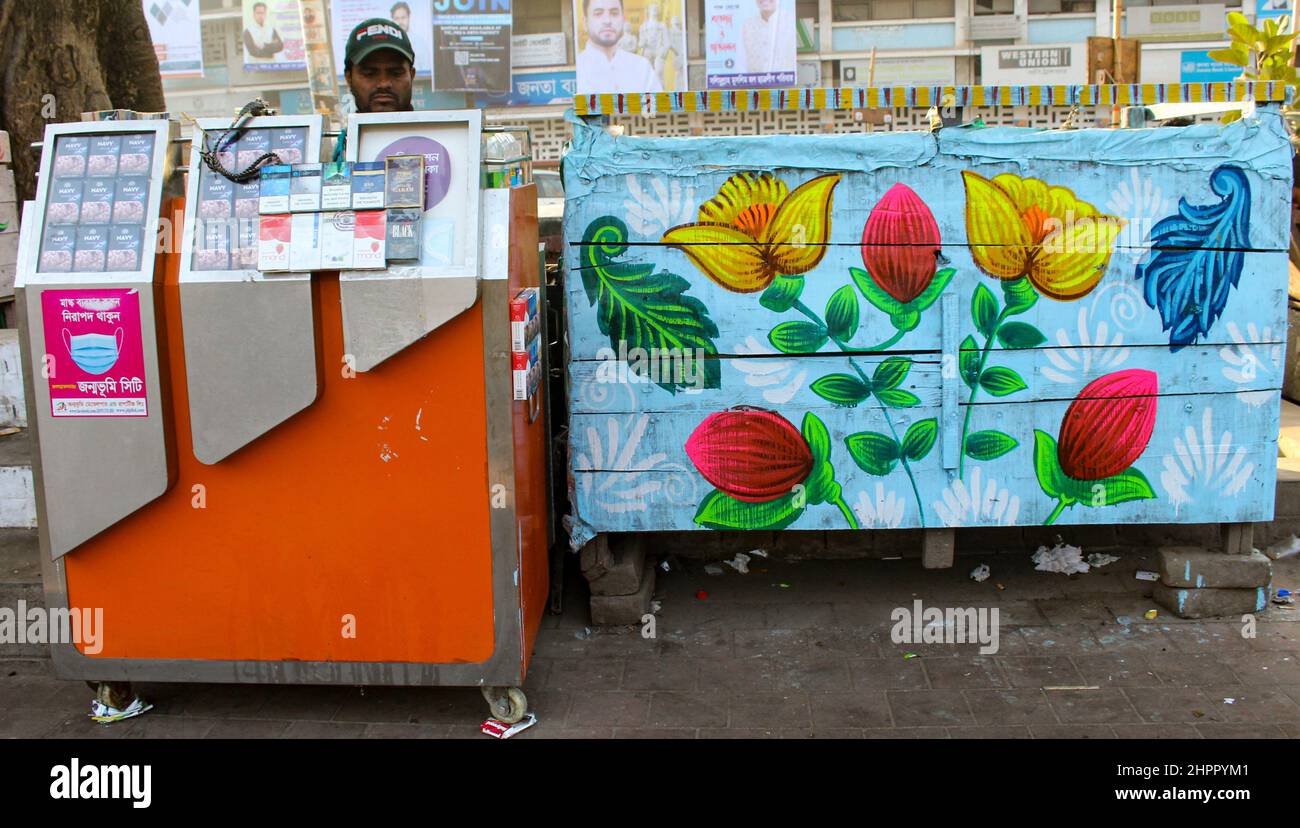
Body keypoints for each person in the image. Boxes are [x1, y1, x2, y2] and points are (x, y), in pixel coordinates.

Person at [576, 0, 662, 94]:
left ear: (623, 20)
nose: (607, 21)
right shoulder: (576, 69)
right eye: (598, 14)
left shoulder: (642, 67)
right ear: (585, 22)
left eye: (614, 13)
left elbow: (657, 107)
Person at [344, 18, 417, 114]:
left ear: (411, 75)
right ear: (349, 78)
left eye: (396, 73)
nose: (384, 83)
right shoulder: (343, 129)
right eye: (369, 73)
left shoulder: (438, 129)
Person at [741, 0, 796, 75]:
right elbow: (741, 63)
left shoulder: (790, 22)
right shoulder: (747, 26)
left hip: (784, 83)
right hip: (753, 84)